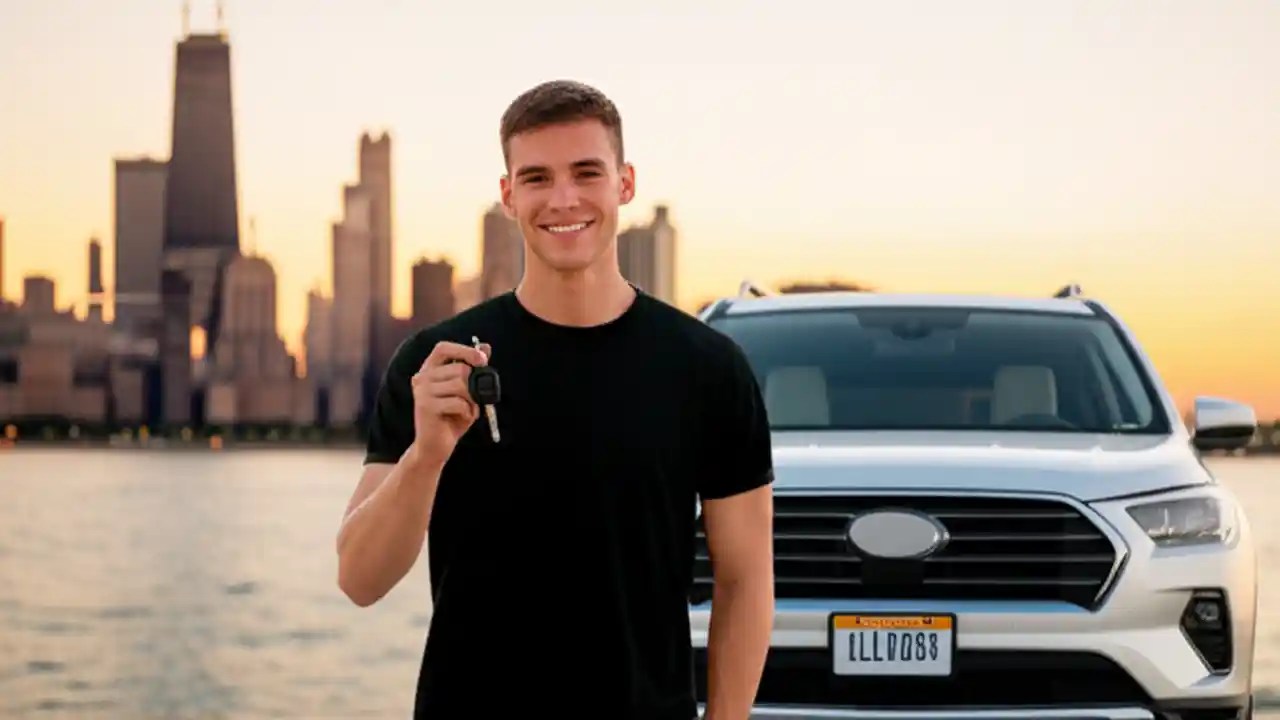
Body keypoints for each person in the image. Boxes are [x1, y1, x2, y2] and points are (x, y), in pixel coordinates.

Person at [335, 79, 775, 720]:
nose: (562, 198)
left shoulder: (709, 370)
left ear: (624, 183)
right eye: (537, 177)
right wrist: (426, 454)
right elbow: (360, 579)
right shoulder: (434, 364)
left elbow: (745, 580)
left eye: (586, 173)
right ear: (509, 195)